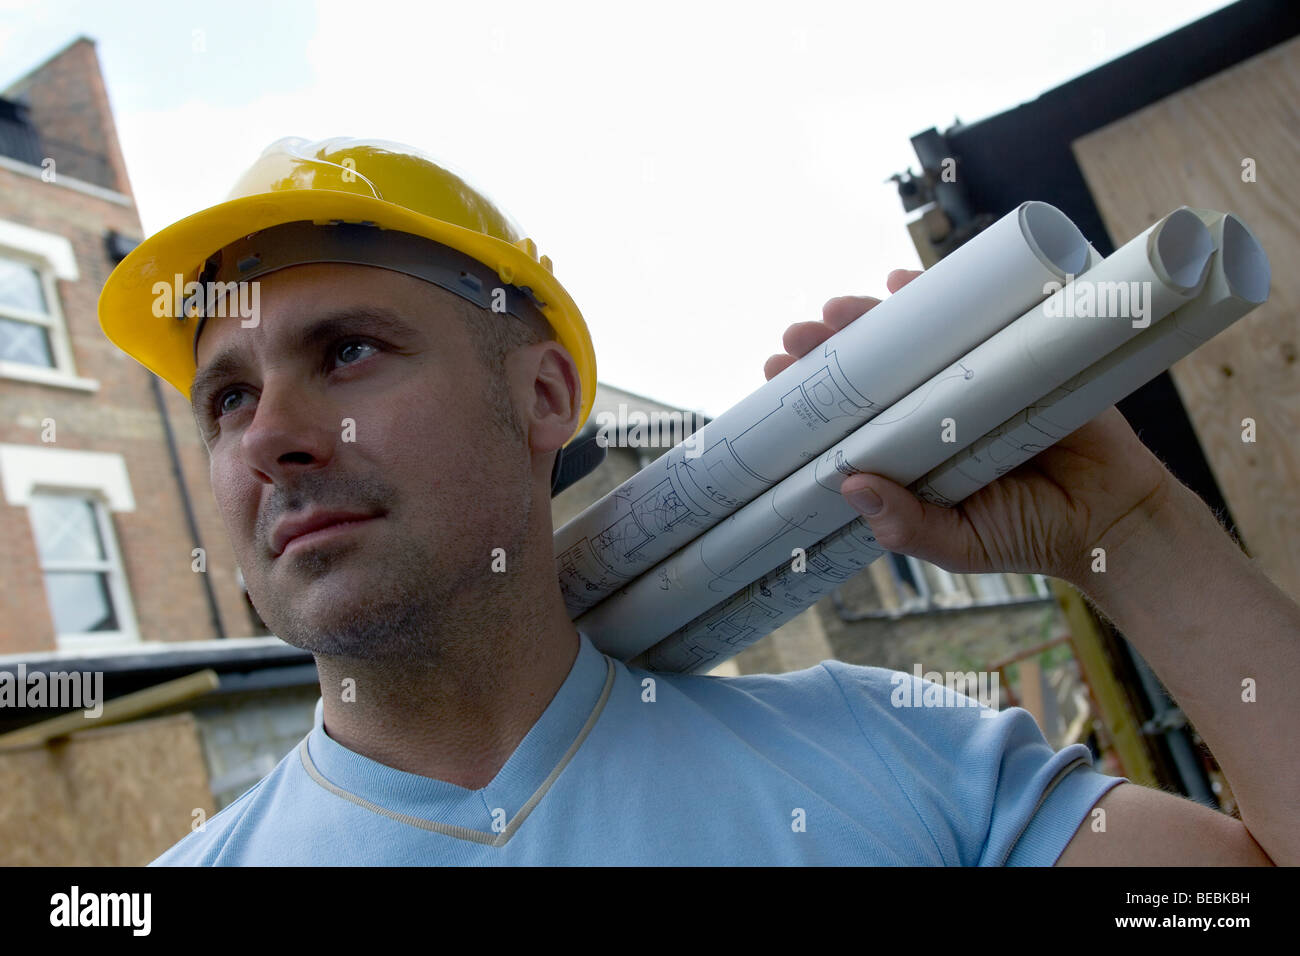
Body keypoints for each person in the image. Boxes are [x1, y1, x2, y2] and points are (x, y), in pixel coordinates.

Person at [99, 137, 1297, 866]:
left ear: (545, 394)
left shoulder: (900, 761)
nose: (271, 439)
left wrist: (1129, 530)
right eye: (225, 399)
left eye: (349, 351)